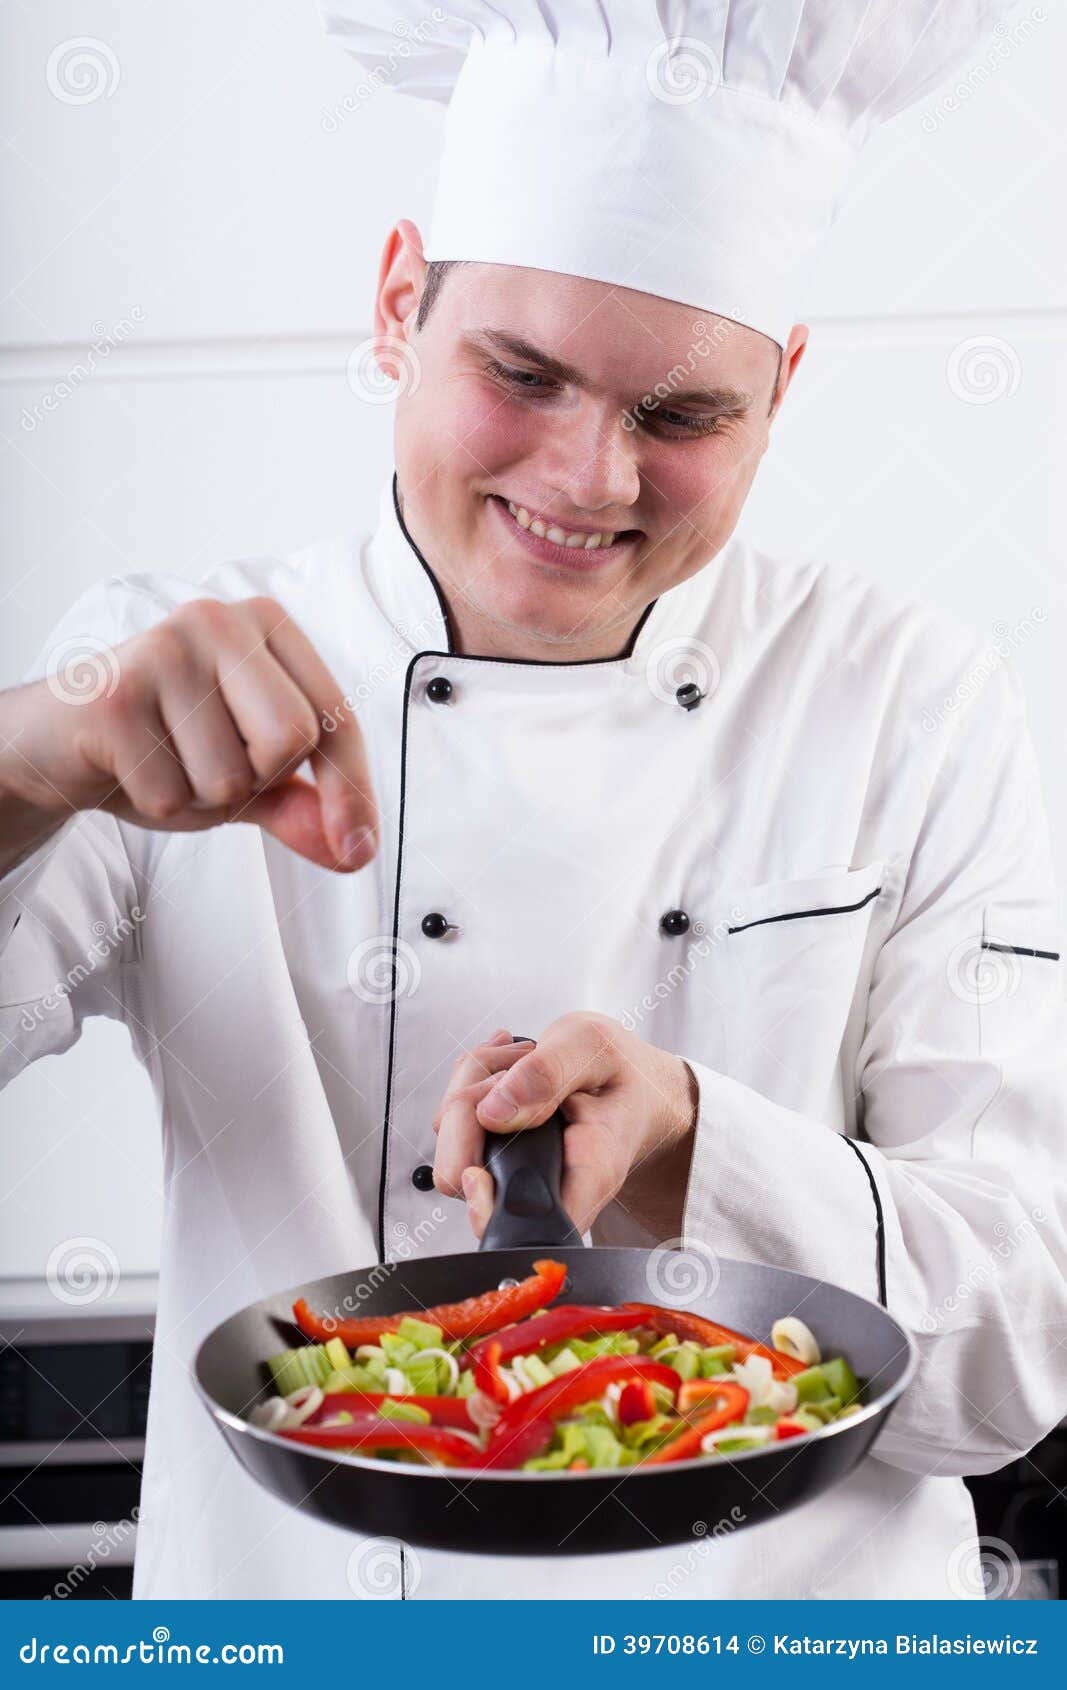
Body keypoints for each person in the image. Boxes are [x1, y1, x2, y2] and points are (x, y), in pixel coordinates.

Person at [2, 0, 1065, 1601]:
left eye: (681, 414)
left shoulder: (912, 702)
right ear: (393, 308)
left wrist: (700, 1145)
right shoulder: (156, 679)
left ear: (783, 388)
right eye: (524, 373)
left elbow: (1020, 1351)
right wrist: (29, 760)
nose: (589, 478)